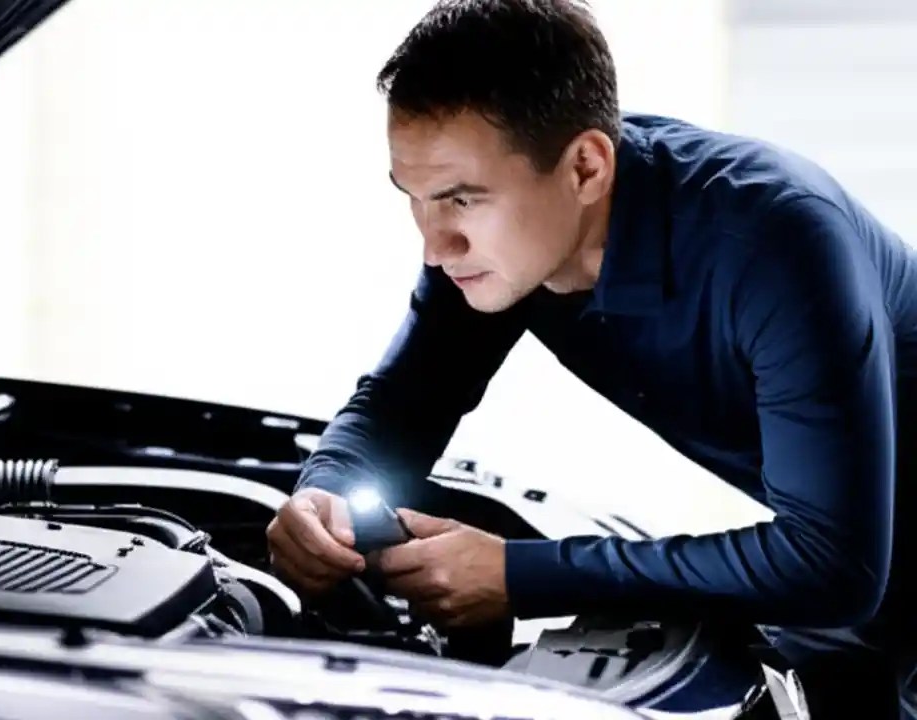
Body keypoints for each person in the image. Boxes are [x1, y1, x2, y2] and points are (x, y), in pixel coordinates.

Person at [264, 0, 917, 715]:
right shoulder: (495, 254)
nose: (433, 245)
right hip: (867, 594)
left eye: (460, 198)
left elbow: (831, 564)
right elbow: (398, 406)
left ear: (585, 166)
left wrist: (520, 574)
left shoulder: (778, 242)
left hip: (855, 573)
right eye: (415, 199)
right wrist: (322, 489)